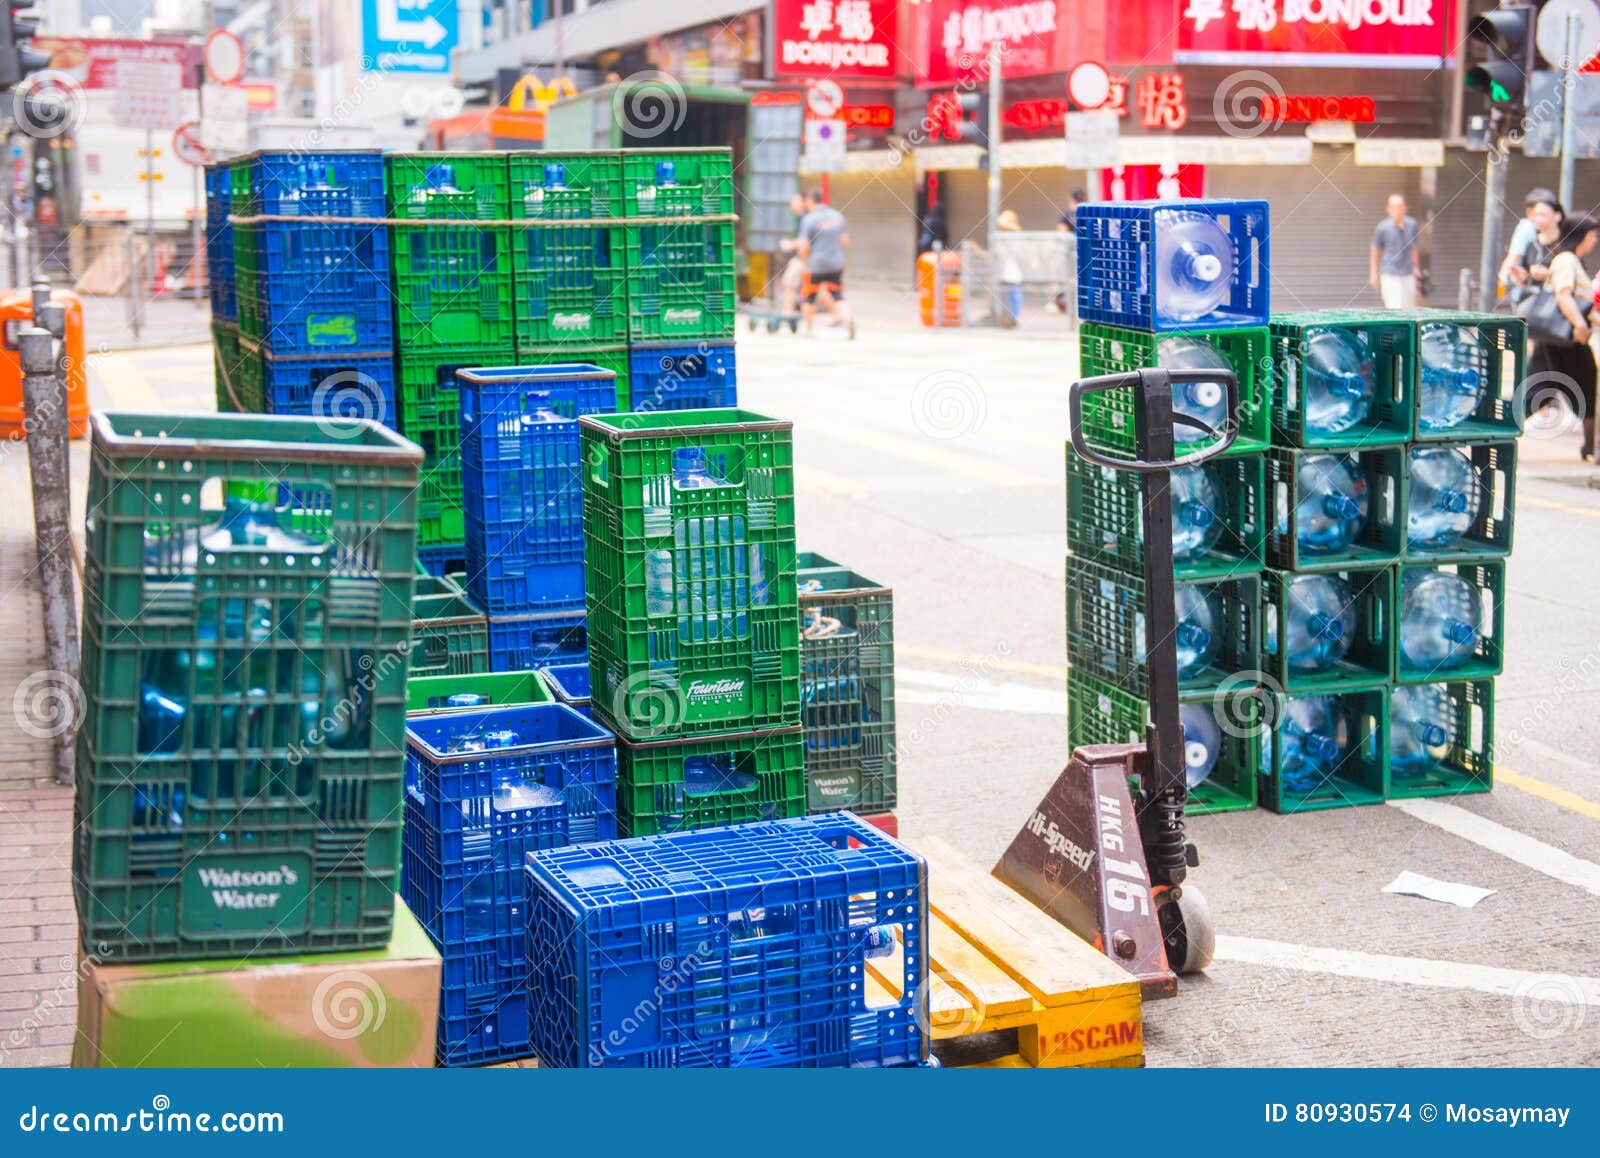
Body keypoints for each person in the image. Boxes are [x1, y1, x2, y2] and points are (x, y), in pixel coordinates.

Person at [1528, 213, 1600, 458]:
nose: (1594, 240)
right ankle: (1590, 446)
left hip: (1562, 339)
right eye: (1592, 235)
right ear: (1580, 235)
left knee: (1543, 391)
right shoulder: (1567, 260)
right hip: (1564, 338)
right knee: (1538, 393)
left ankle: (1590, 446)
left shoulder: (1573, 261)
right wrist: (1580, 325)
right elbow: (1563, 295)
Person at [797, 187, 854, 339]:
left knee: (809, 296)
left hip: (816, 265)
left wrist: (805, 263)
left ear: (809, 200)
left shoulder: (809, 219)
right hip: (836, 263)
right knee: (838, 295)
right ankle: (848, 320)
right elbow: (845, 241)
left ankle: (809, 330)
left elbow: (804, 246)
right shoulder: (837, 216)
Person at [1500, 188, 1562, 301]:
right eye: (1536, 215)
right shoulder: (1532, 244)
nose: (1538, 219)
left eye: (1543, 214)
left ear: (1557, 216)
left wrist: (1549, 275)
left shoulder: (1566, 244)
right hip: (1530, 303)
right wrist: (1523, 277)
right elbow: (1521, 277)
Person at [1370, 193, 1421, 308]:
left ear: (1405, 208)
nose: (1399, 210)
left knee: (1409, 308)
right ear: (1388, 209)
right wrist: (1374, 273)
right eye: (1395, 207)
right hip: (1390, 274)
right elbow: (1375, 251)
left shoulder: (1412, 224)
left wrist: (1416, 267)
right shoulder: (1382, 228)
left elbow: (1414, 247)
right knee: (1394, 307)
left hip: (1408, 273)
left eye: (1401, 206)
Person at [775, 192, 808, 316]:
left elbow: (805, 241)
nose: (792, 204)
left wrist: (790, 244)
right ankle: (841, 315)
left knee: (788, 281)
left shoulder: (805, 218)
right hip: (803, 257)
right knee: (818, 289)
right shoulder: (799, 218)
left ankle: (787, 313)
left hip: (805, 258)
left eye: (795, 201)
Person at [995, 209, 1025, 329]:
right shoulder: (1001, 240)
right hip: (1004, 275)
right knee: (1004, 299)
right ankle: (1005, 320)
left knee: (1014, 298)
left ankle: (1014, 320)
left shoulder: (1016, 239)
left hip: (1014, 275)